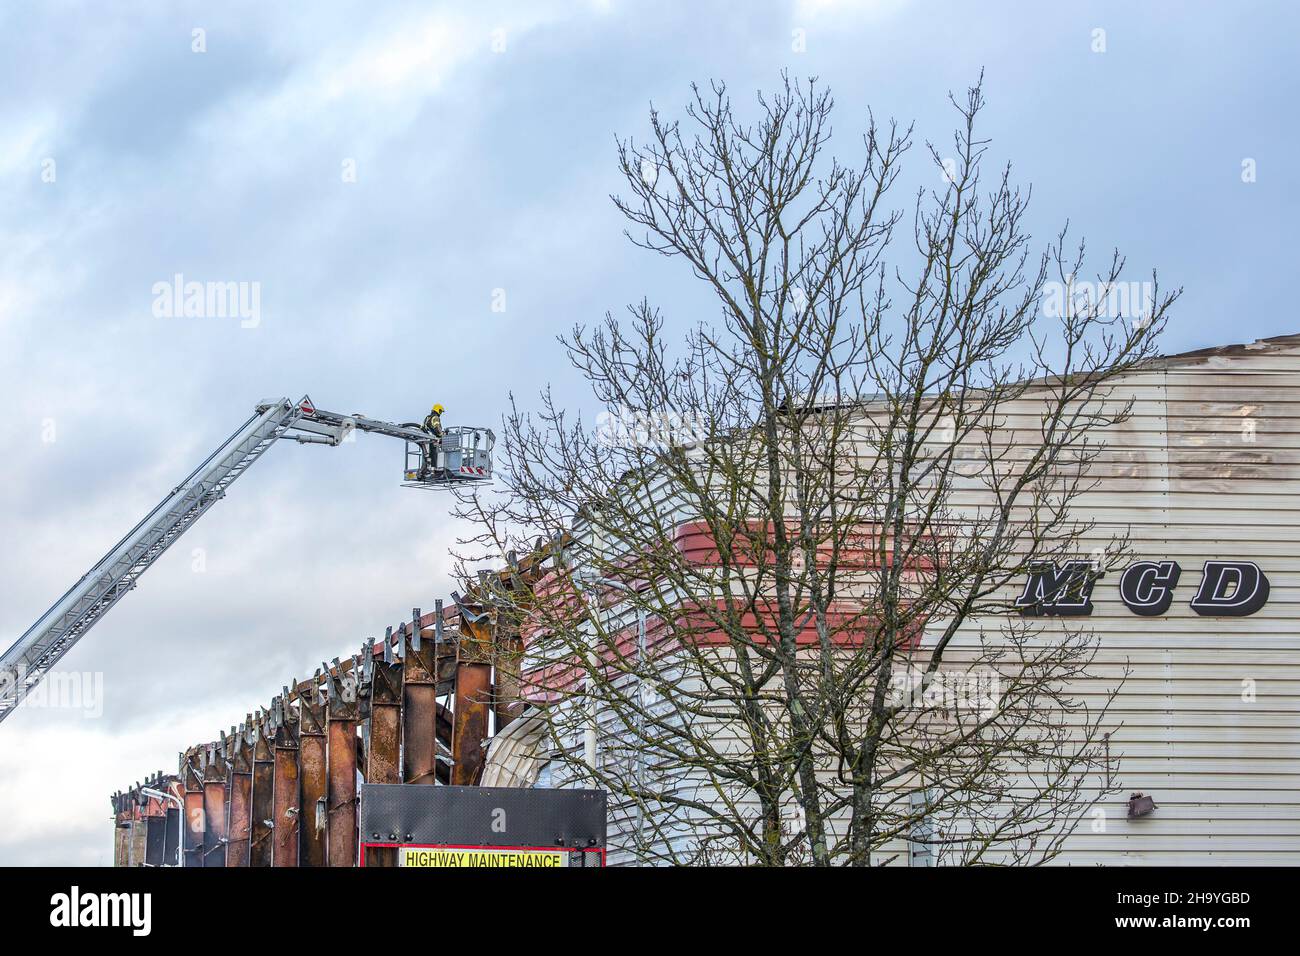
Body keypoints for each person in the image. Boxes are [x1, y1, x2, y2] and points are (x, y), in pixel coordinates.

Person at [420, 403, 444, 477]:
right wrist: (442, 435)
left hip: (426, 438)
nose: (440, 413)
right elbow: (437, 428)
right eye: (440, 411)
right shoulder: (435, 417)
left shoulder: (427, 417)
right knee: (434, 453)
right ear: (438, 410)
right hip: (432, 438)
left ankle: (425, 469)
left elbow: (423, 427)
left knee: (426, 454)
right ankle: (434, 469)